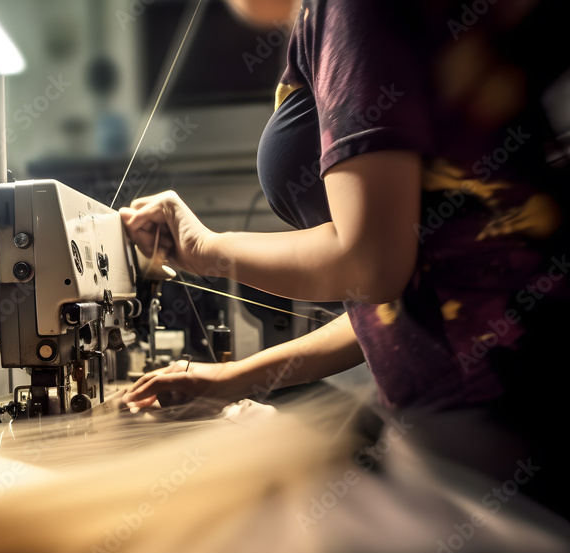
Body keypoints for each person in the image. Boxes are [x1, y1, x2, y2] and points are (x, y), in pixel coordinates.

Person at [120, 0, 569, 515]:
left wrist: (206, 249)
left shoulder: (345, 9)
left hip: (499, 421)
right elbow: (398, 293)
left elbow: (371, 264)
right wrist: (234, 376)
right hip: (470, 415)